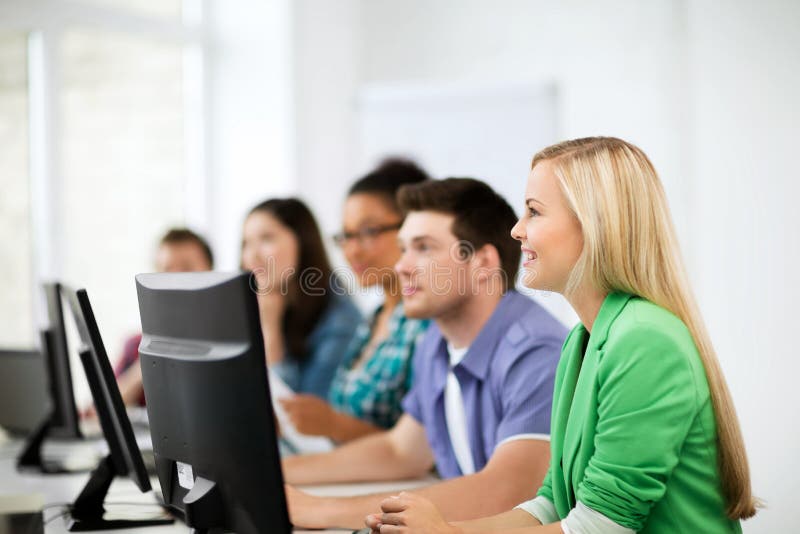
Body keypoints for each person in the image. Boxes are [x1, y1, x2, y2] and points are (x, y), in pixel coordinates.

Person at [366, 137, 757, 533]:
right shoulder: (580, 341)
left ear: (595, 223)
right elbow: (553, 502)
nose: (517, 231)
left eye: (534, 212)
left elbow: (601, 525)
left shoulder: (644, 340)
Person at [284, 178, 567, 529]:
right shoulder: (436, 340)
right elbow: (400, 451)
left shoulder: (537, 351)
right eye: (404, 248)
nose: (402, 265)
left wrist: (320, 511)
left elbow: (506, 492)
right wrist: (275, 474)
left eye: (424, 247)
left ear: (482, 262)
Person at [279, 159, 431, 443]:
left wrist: (333, 424)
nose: (352, 250)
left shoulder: (426, 324)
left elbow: (421, 448)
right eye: (346, 236)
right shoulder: (373, 319)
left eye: (369, 232)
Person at [241, 197, 361, 399]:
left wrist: (270, 332)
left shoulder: (341, 322)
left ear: (303, 242)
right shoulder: (253, 308)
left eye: (267, 239)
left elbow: (299, 418)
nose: (252, 255)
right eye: (246, 243)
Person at [115, 227, 214, 406]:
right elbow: (106, 409)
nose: (175, 279)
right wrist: (146, 363)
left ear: (211, 273)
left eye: (187, 268)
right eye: (167, 270)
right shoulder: (136, 345)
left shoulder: (227, 339)